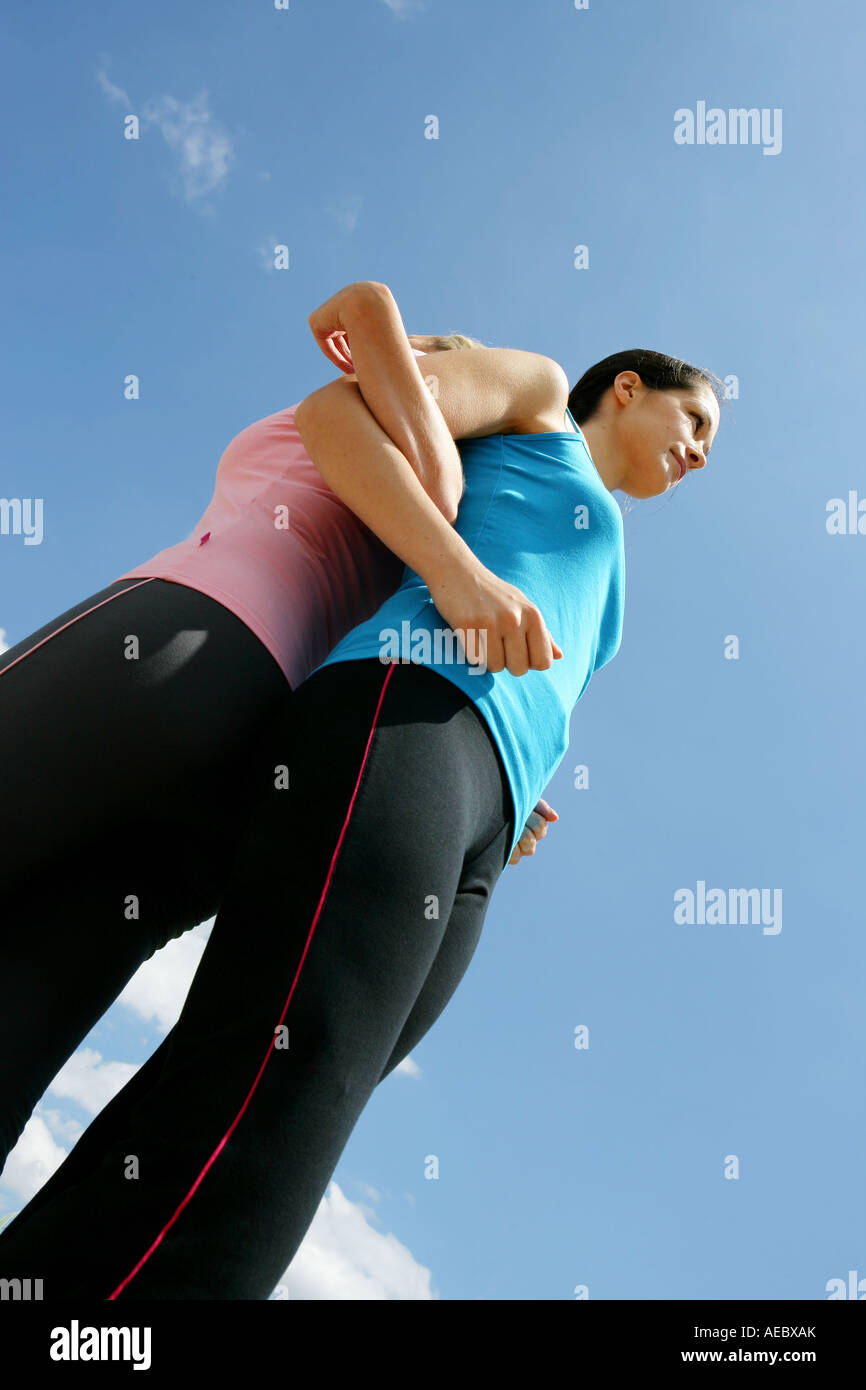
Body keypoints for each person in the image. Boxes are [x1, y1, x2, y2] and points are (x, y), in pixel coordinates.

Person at [0, 312, 723, 1297]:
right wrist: (457, 576)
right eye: (694, 421)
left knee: (313, 1096)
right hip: (402, 706)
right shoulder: (542, 401)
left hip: (487, 806)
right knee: (265, 1077)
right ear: (629, 387)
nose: (698, 454)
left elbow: (541, 655)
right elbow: (342, 409)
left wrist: (525, 789)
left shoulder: (614, 565)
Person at [0, 281, 562, 1176]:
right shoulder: (409, 530)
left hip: (185, 636)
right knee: (28, 1005)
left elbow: (358, 302)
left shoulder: (402, 444)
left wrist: (391, 340)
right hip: (241, 761)